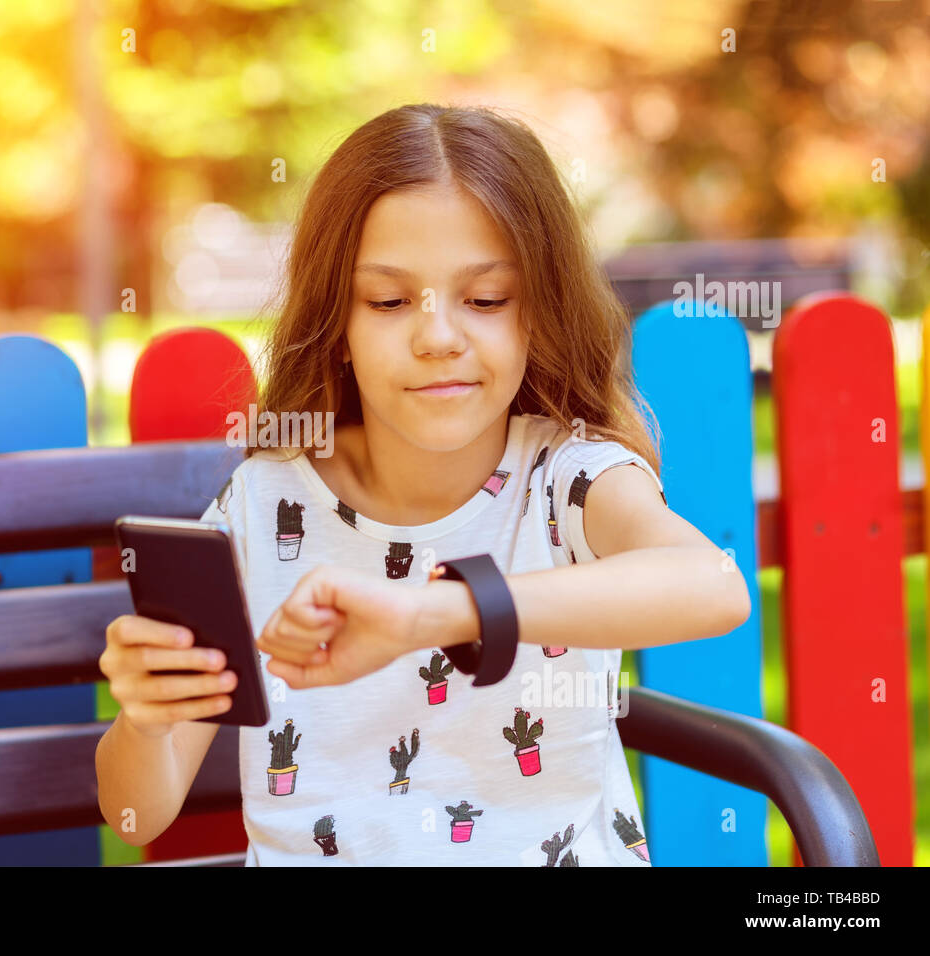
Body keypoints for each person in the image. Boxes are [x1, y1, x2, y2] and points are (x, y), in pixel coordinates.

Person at [95, 103, 752, 865]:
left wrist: (433, 614)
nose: (439, 336)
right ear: (337, 322)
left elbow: (714, 586)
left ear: (537, 314)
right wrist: (143, 721)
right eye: (389, 300)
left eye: (485, 299)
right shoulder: (262, 506)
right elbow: (138, 816)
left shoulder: (567, 480)